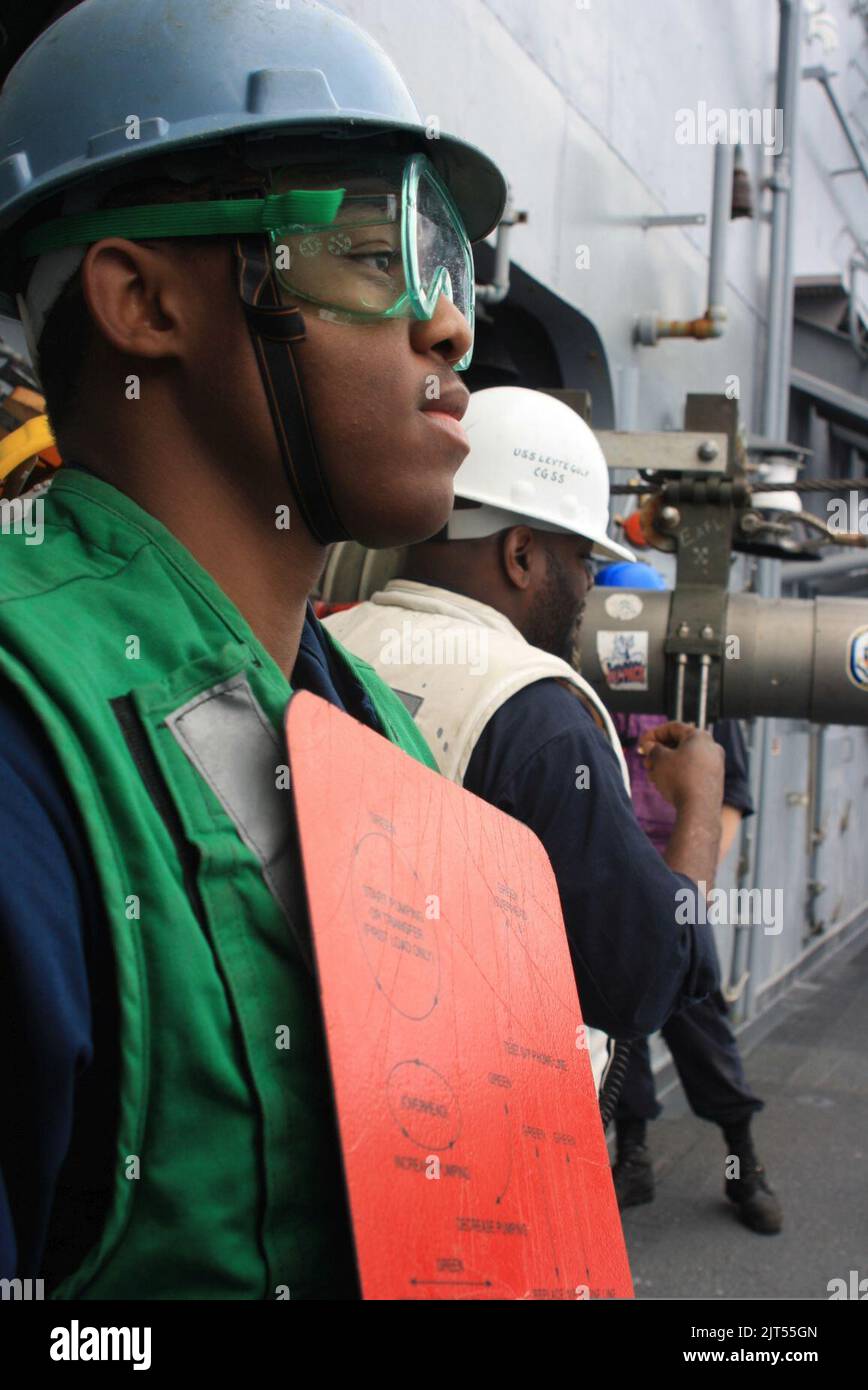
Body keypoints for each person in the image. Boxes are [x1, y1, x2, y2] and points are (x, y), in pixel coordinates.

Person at [0, 0, 509, 1298]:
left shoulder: (358, 724)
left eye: (448, 262)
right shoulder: (21, 744)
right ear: (142, 299)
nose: (448, 328)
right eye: (366, 251)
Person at [324, 386, 726, 1069]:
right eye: (580, 561)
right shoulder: (535, 716)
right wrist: (701, 808)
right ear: (519, 554)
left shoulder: (326, 644)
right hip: (472, 1124)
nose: (586, 588)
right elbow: (645, 978)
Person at [595, 561, 783, 1236]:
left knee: (703, 1029)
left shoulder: (697, 695)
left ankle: (745, 1164)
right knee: (621, 1031)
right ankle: (634, 1160)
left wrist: (688, 889)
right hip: (615, 884)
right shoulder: (590, 691)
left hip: (678, 885)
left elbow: (729, 803)